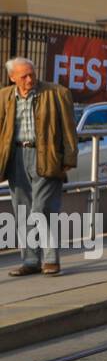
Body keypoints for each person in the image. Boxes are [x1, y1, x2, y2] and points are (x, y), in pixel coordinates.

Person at [0, 57, 78, 276]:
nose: (29, 79)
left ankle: (51, 259)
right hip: (16, 156)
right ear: (12, 77)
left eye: (32, 73)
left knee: (42, 208)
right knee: (22, 210)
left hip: (47, 155)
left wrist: (68, 159)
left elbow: (69, 129)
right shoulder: (5, 96)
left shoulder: (56, 93)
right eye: (24, 75)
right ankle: (31, 261)